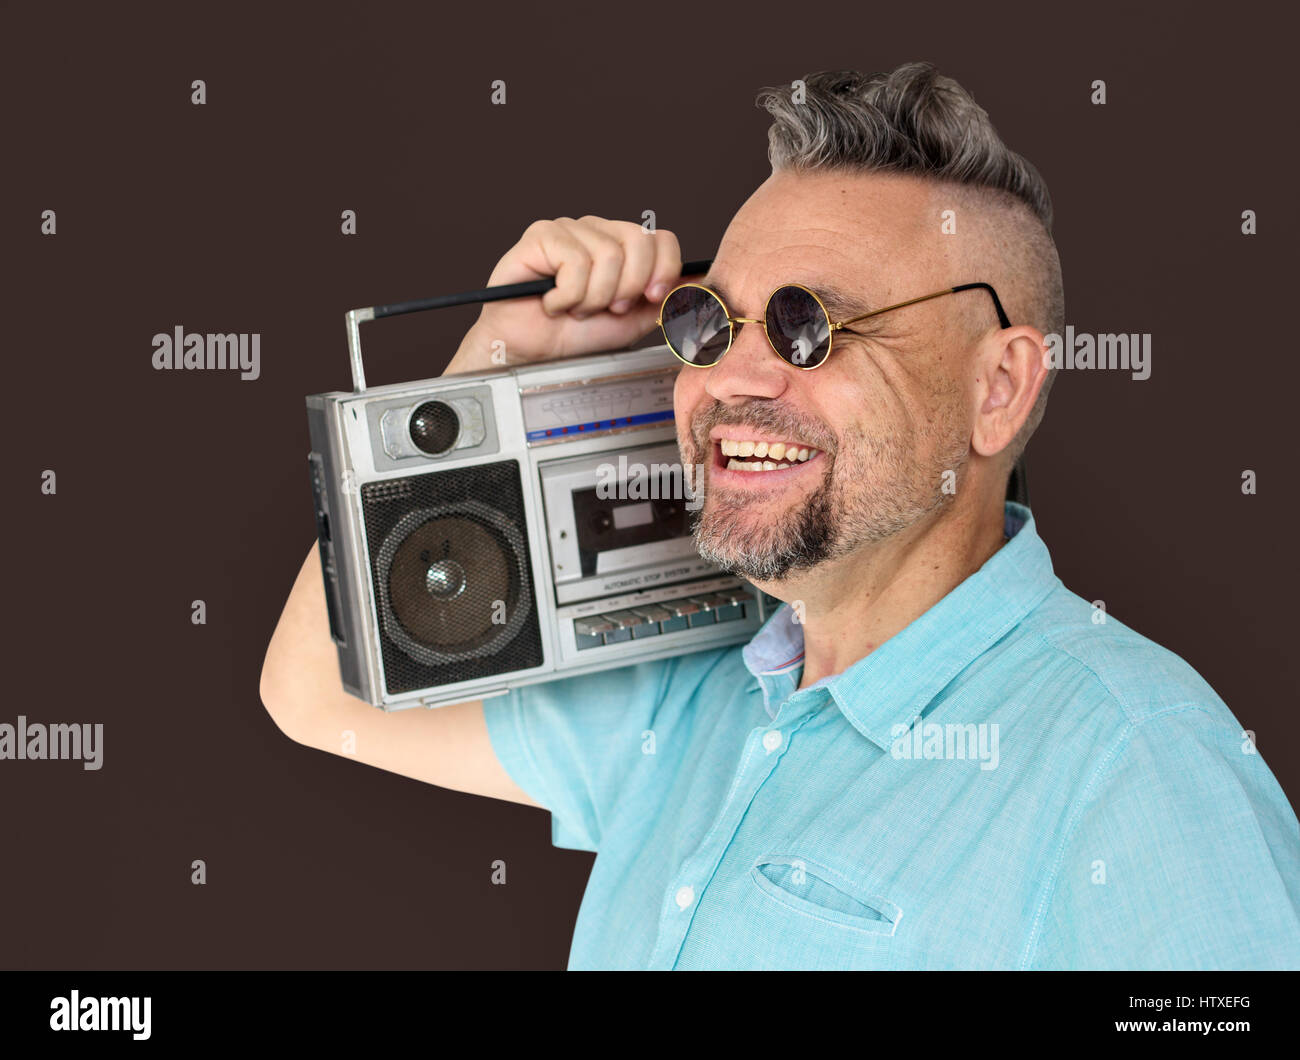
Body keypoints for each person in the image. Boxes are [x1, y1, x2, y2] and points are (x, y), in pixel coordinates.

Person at [259, 62, 1300, 970]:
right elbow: (324, 690)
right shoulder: (691, 699)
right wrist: (498, 356)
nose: (729, 376)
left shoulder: (1138, 765)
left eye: (813, 326)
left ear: (999, 389)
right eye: (708, 321)